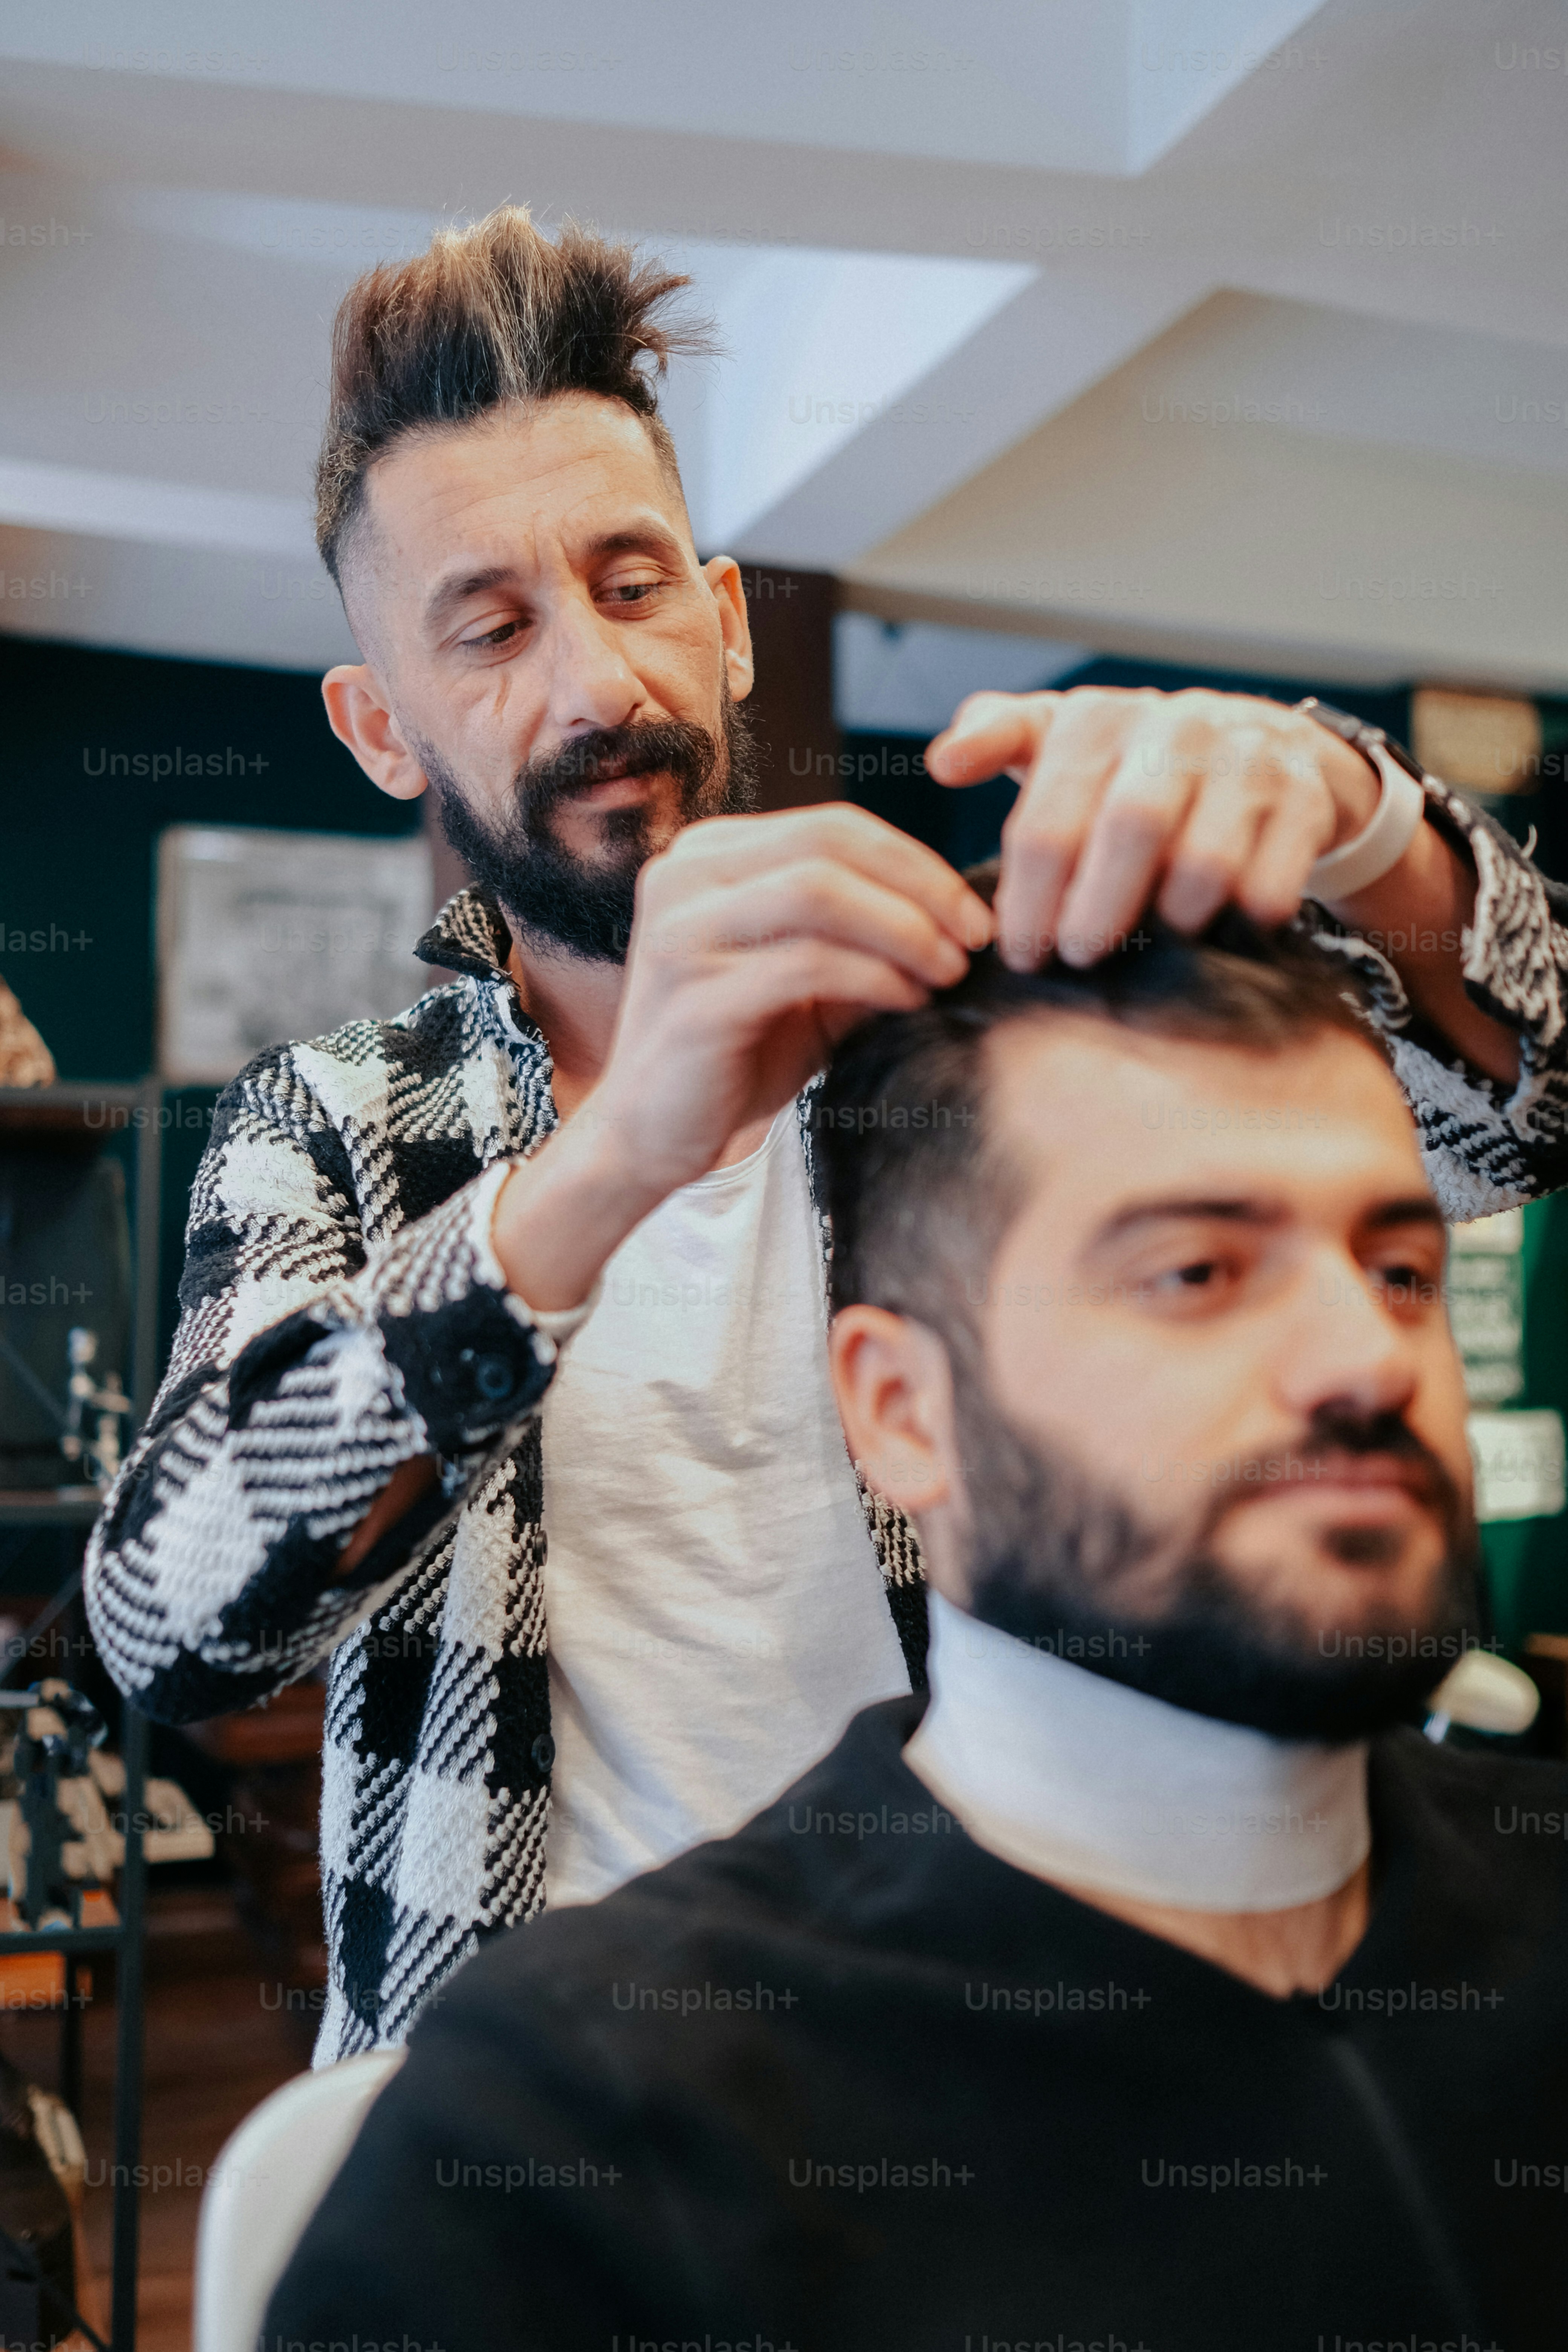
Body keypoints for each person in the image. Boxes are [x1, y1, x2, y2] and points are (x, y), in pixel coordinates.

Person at [86, 205, 1568, 2062]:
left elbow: (1529, 1119)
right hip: (528, 2128)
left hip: (1011, 2069)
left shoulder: (1007, 1007)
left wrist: (1368, 821)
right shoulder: (335, 1124)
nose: (592, 687)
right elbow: (171, 1626)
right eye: (489, 630)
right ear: (381, 729)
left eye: (631, 589)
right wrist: (613, 1163)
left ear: (721, 629)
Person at [267, 906, 1568, 2351]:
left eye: (1401, 1275)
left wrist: (1389, 837)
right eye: (1197, 1271)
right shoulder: (571, 2139)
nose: (1364, 1361)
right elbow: (168, 1622)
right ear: (900, 1409)